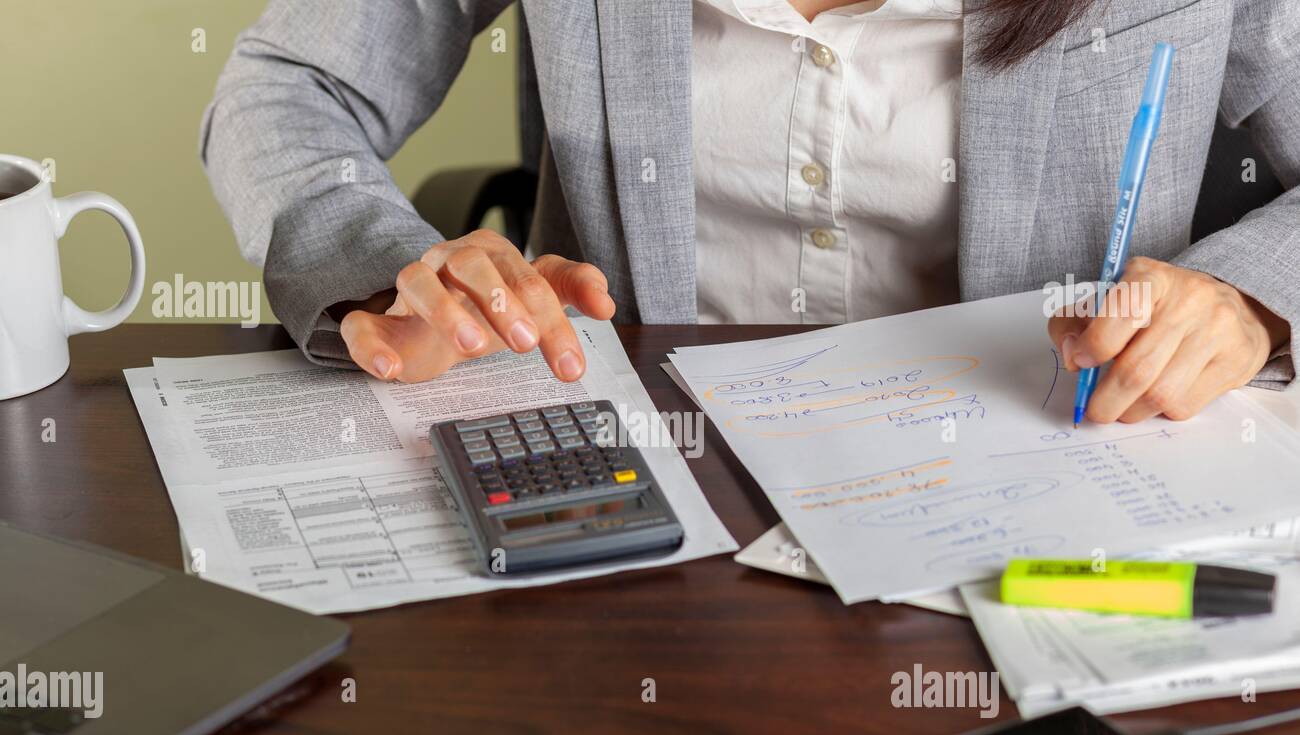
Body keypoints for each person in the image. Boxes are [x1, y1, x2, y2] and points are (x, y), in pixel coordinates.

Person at [202, 0, 1298, 424]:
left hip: (1043, 471)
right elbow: (287, 81)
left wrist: (1248, 302)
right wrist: (391, 262)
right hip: (645, 466)